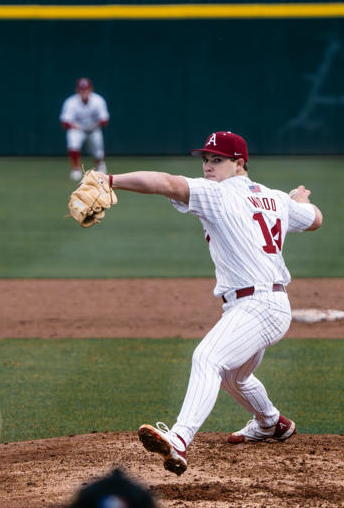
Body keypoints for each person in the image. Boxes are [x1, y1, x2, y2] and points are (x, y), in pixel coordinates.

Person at [95, 131, 323, 476]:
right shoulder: (275, 198)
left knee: (207, 357)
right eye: (205, 159)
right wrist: (299, 200)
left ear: (239, 163)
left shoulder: (217, 194)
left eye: (217, 159)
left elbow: (164, 183)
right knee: (236, 377)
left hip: (258, 306)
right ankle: (271, 423)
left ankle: (179, 439)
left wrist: (109, 180)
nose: (207, 166)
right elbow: (316, 219)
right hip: (266, 304)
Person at [60, 77, 110, 181]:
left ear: (91, 89)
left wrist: (94, 125)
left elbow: (105, 120)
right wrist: (77, 126)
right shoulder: (71, 102)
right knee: (72, 139)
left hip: (94, 128)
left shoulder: (98, 100)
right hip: (78, 129)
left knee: (98, 150)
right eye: (81, 89)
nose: (84, 91)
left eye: (86, 89)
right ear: (77, 90)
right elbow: (65, 122)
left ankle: (99, 165)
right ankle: (76, 169)